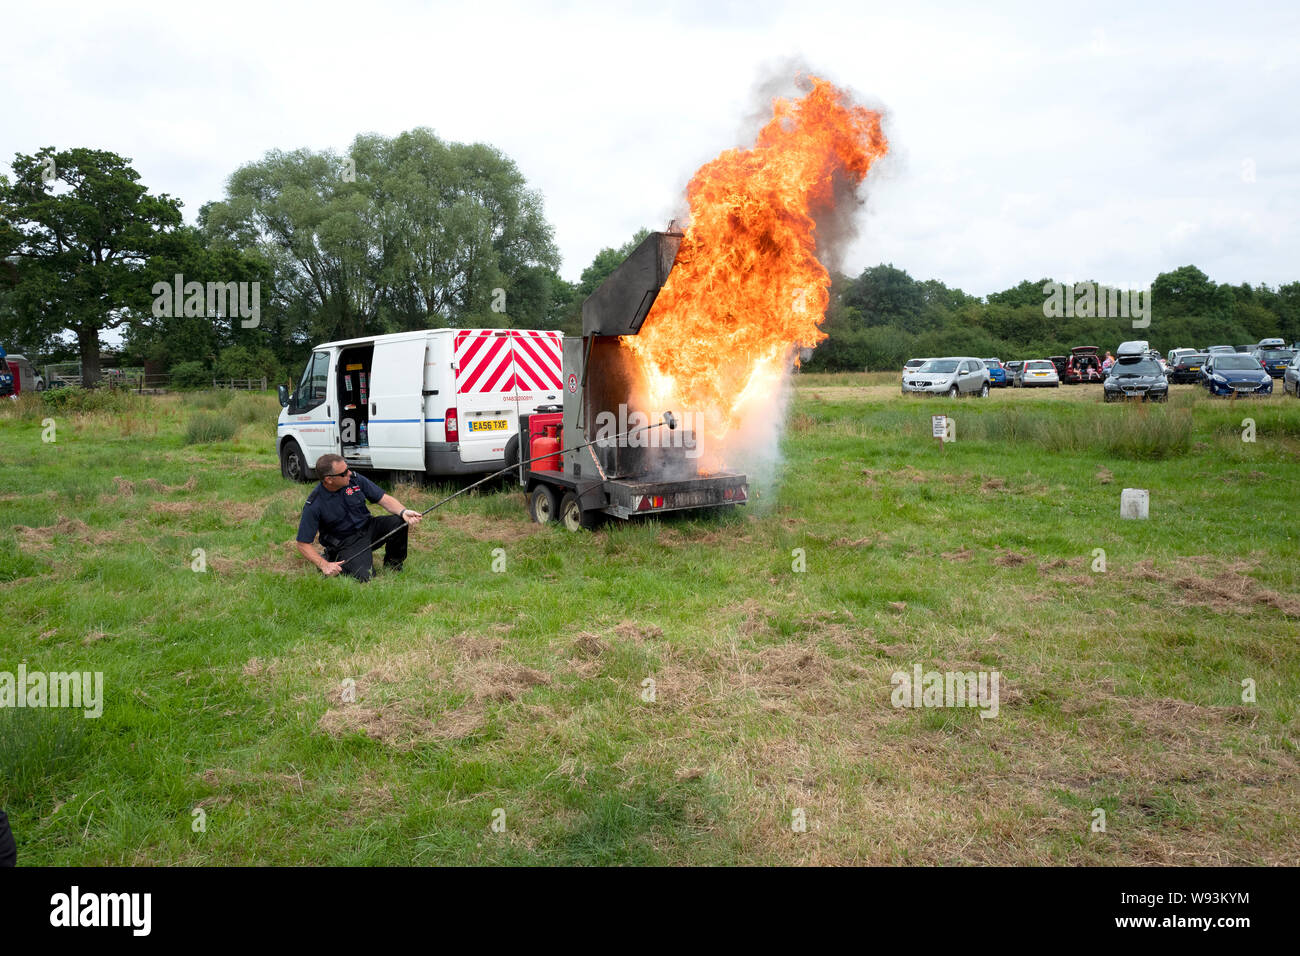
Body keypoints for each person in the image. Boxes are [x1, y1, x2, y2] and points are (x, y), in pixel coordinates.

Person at [295, 454, 421, 582]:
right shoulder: (315, 503)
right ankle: (332, 559)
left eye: (348, 468)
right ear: (329, 479)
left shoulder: (354, 479)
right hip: (347, 541)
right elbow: (302, 543)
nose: (349, 473)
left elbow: (383, 498)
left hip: (368, 527)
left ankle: (393, 566)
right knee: (366, 576)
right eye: (344, 473)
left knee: (399, 522)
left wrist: (403, 511)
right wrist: (324, 565)